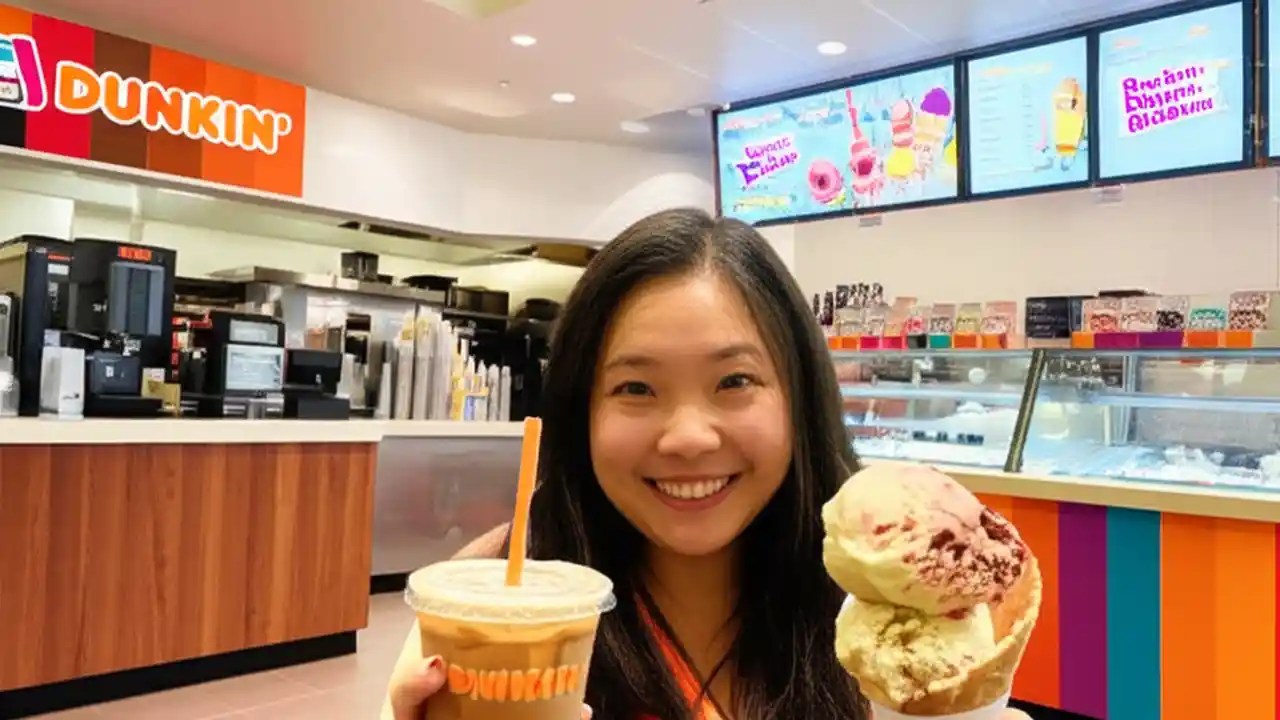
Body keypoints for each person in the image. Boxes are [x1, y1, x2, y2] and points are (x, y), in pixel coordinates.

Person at [384, 208, 1031, 720]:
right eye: (635, 388)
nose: (688, 437)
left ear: (799, 396)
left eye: (734, 381)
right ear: (582, 409)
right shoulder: (488, 601)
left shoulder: (893, 604)